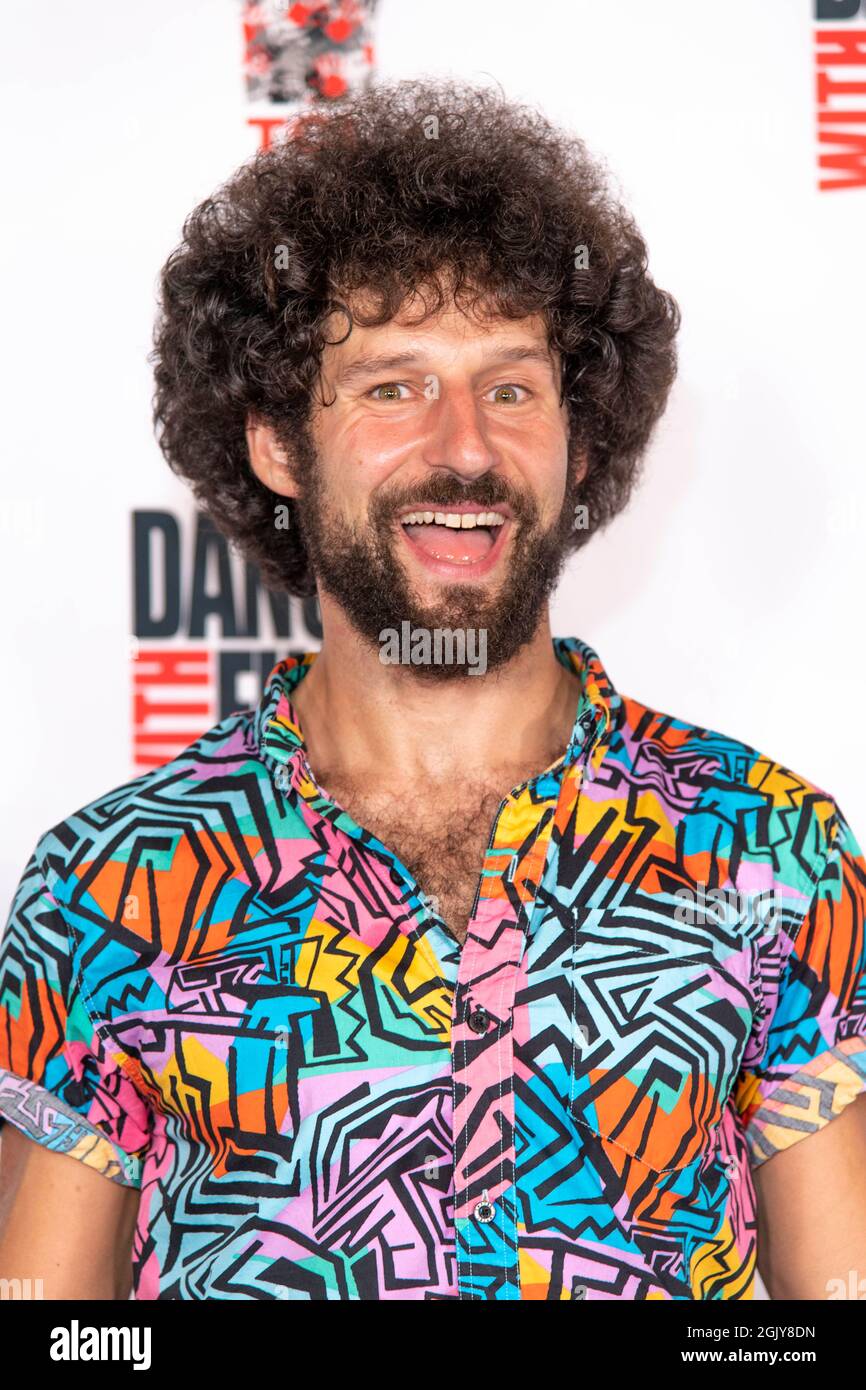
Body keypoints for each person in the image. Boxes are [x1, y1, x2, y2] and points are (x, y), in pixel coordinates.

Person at [1, 78, 864, 1302]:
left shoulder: (772, 850)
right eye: (392, 385)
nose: (462, 444)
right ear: (275, 442)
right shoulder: (110, 883)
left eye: (510, 386)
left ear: (579, 440)